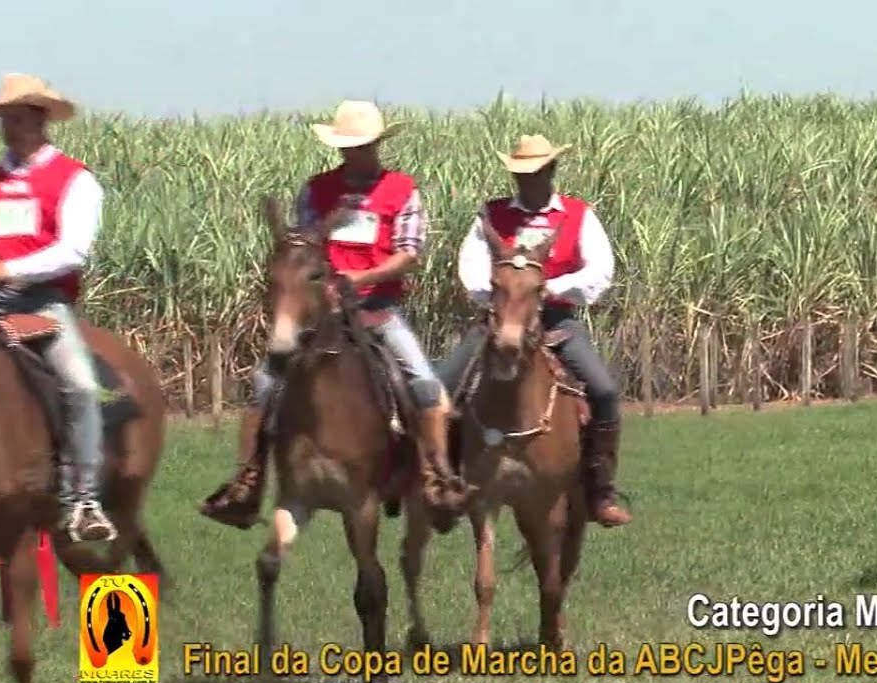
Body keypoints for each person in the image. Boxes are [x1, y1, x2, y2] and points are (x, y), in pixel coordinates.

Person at [199, 100, 457, 529]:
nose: (352, 154)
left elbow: (409, 255)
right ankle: (247, 482)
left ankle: (437, 477)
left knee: (424, 383)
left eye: (361, 146)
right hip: (325, 315)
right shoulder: (316, 190)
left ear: (376, 145)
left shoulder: (401, 190)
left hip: (378, 310)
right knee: (265, 382)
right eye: (347, 146)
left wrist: (362, 277)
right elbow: (303, 248)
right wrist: (319, 287)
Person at [437, 134, 631, 527]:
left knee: (605, 392)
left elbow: (600, 270)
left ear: (551, 171)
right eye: (521, 174)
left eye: (536, 172)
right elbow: (471, 266)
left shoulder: (578, 214)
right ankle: (447, 483)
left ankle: (599, 488)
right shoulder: (491, 217)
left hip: (557, 321)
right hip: (499, 319)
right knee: (443, 387)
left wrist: (548, 289)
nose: (528, 181)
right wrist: (501, 297)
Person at [0, 74, 116, 542]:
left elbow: (74, 251)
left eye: (20, 117)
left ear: (42, 119)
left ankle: (83, 500)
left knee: (81, 385)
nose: (11, 126)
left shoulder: (74, 179)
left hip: (44, 303)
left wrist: (10, 270)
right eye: (5, 118)